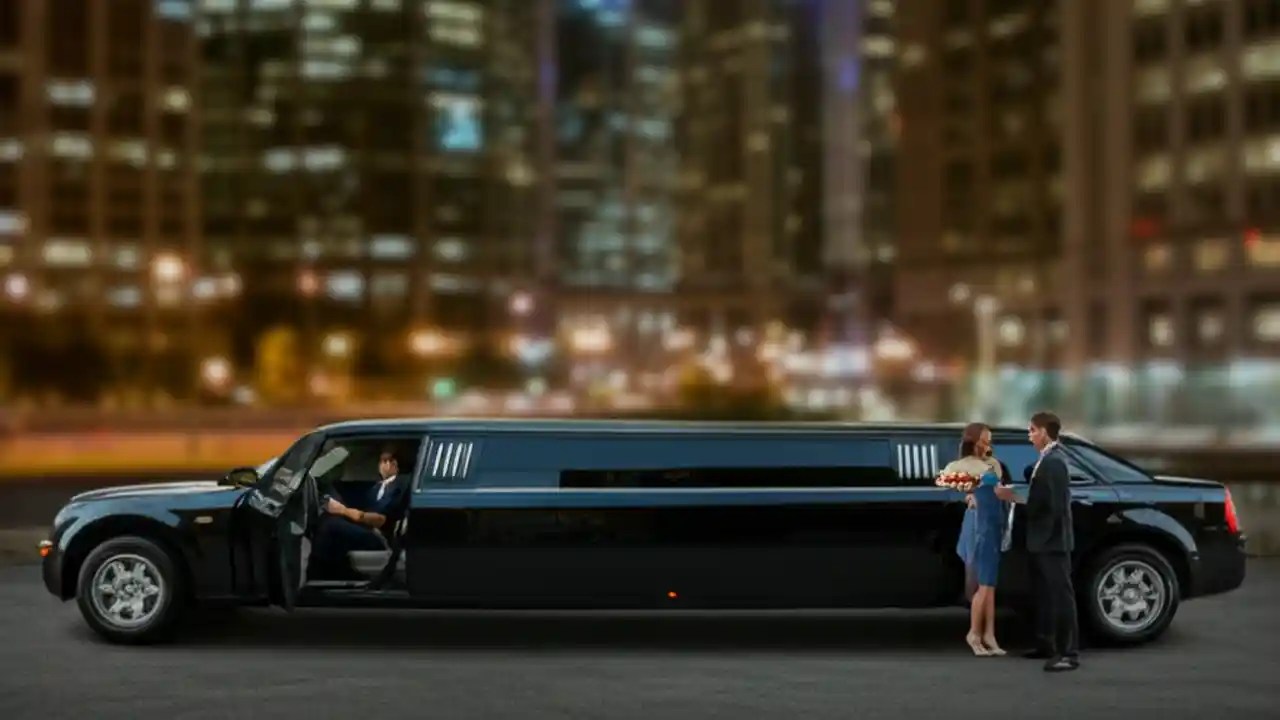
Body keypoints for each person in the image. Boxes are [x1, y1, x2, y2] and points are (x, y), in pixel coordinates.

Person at [995, 411, 1080, 672]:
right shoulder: (1047, 459)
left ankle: (1069, 653)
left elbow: (1051, 506)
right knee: (1044, 596)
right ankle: (1046, 644)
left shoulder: (1054, 461)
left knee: (1061, 596)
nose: (1029, 435)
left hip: (1051, 542)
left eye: (1032, 430)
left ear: (1044, 431)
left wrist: (1016, 501)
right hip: (1043, 541)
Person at [945, 422, 1009, 657]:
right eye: (984, 439)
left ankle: (989, 635)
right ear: (973, 440)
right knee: (982, 582)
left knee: (990, 584)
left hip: (994, 524)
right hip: (976, 526)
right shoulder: (958, 466)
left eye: (989, 440)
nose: (988, 444)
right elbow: (947, 489)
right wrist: (967, 496)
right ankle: (974, 634)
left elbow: (999, 492)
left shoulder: (993, 465)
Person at [308, 448, 410, 581]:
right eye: (382, 461)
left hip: (380, 536)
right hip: (367, 530)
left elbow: (381, 520)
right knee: (328, 522)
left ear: (395, 464)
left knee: (331, 526)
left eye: (389, 460)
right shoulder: (376, 488)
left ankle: (317, 577)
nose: (385, 465)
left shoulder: (401, 484)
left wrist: (342, 510)